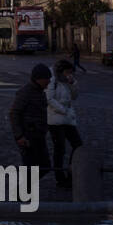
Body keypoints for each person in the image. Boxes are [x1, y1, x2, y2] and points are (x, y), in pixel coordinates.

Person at [8, 63, 53, 178]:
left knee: (44, 166)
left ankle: (24, 192)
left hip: (38, 135)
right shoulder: (26, 92)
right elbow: (14, 113)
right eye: (47, 79)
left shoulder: (40, 91)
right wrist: (19, 136)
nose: (49, 81)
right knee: (32, 169)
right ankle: (22, 194)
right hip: (28, 137)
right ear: (39, 79)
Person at [45, 59, 80, 189]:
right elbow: (49, 98)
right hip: (55, 119)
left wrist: (73, 83)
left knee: (78, 145)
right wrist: (63, 110)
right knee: (60, 149)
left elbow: (75, 96)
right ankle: (60, 178)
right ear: (61, 71)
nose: (69, 75)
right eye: (67, 72)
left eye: (71, 72)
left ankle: (71, 172)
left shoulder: (67, 81)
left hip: (68, 117)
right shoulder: (52, 80)